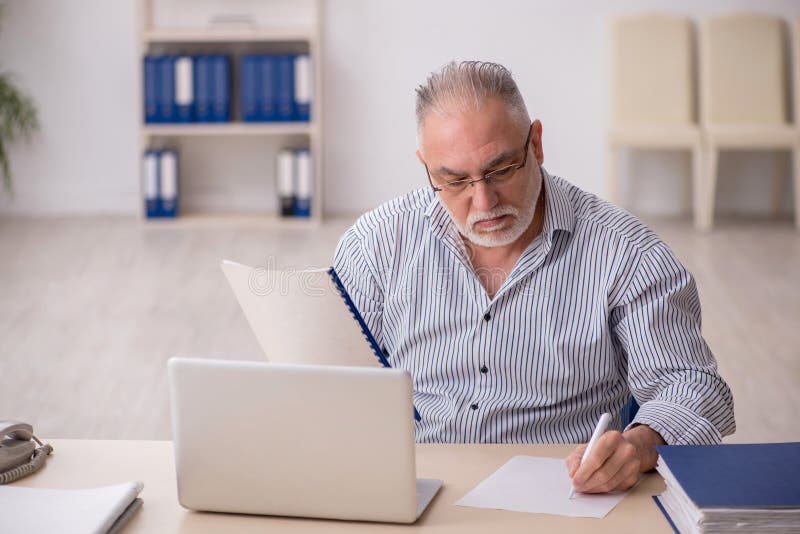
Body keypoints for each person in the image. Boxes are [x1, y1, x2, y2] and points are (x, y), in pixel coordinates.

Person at [332, 61, 735, 494]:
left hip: (562, 495)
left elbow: (693, 386)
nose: (483, 200)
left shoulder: (627, 253)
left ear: (536, 144)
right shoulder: (374, 244)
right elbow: (332, 385)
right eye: (454, 181)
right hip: (413, 486)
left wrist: (639, 445)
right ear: (427, 169)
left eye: (501, 170)